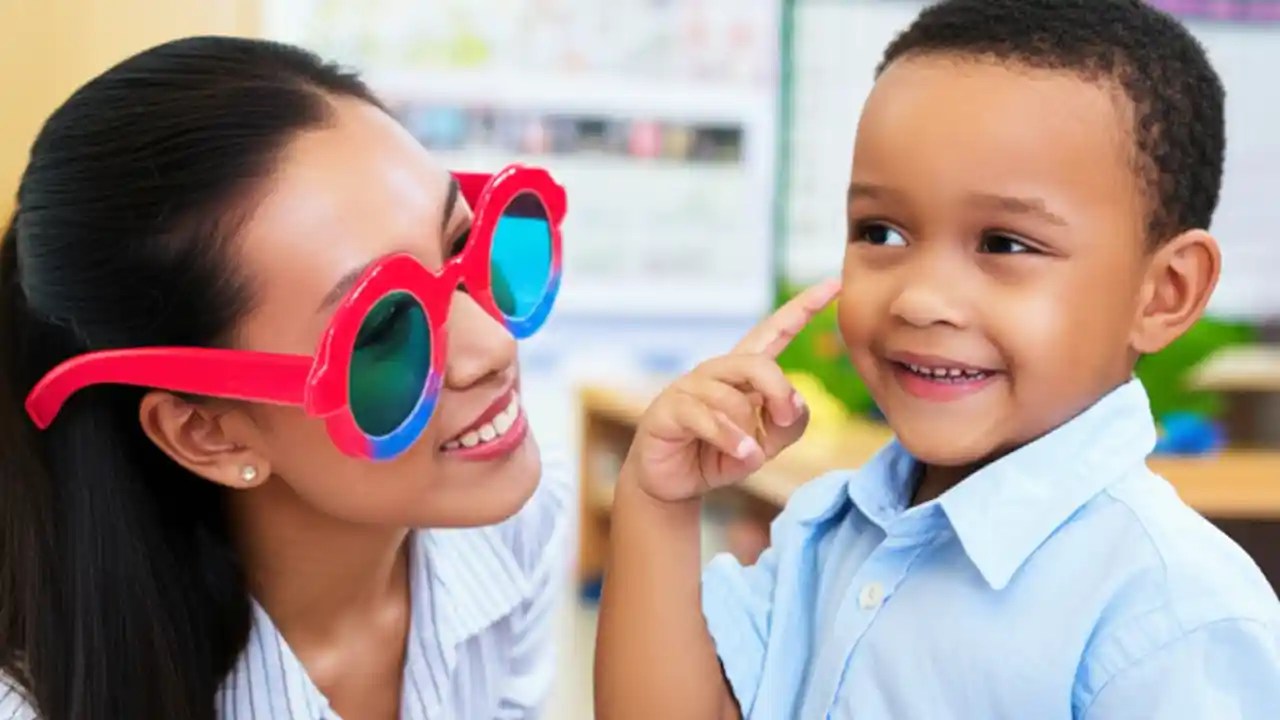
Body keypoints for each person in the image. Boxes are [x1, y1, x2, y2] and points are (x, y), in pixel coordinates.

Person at [594, 1, 1280, 718]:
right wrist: (659, 503)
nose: (920, 300)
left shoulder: (1171, 614)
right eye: (881, 232)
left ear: (1162, 293)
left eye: (1004, 245)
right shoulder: (827, 529)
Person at [0, 36, 573, 720]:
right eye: (385, 331)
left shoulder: (520, 529)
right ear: (207, 432)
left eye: (460, 241)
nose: (493, 344)